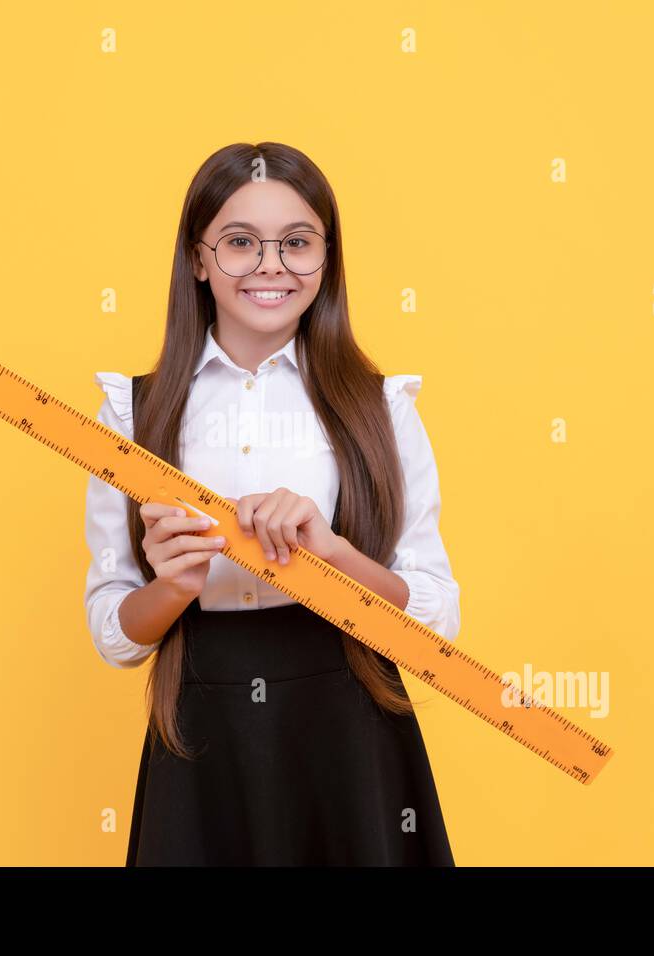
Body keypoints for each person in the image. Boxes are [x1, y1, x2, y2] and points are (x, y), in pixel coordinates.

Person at [82, 142, 461, 865]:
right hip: (203, 735)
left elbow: (436, 613)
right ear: (198, 258)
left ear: (327, 258)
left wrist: (334, 554)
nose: (270, 265)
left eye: (296, 243)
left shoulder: (382, 409)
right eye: (239, 243)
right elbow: (114, 631)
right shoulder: (132, 415)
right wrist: (174, 585)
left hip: (352, 730)